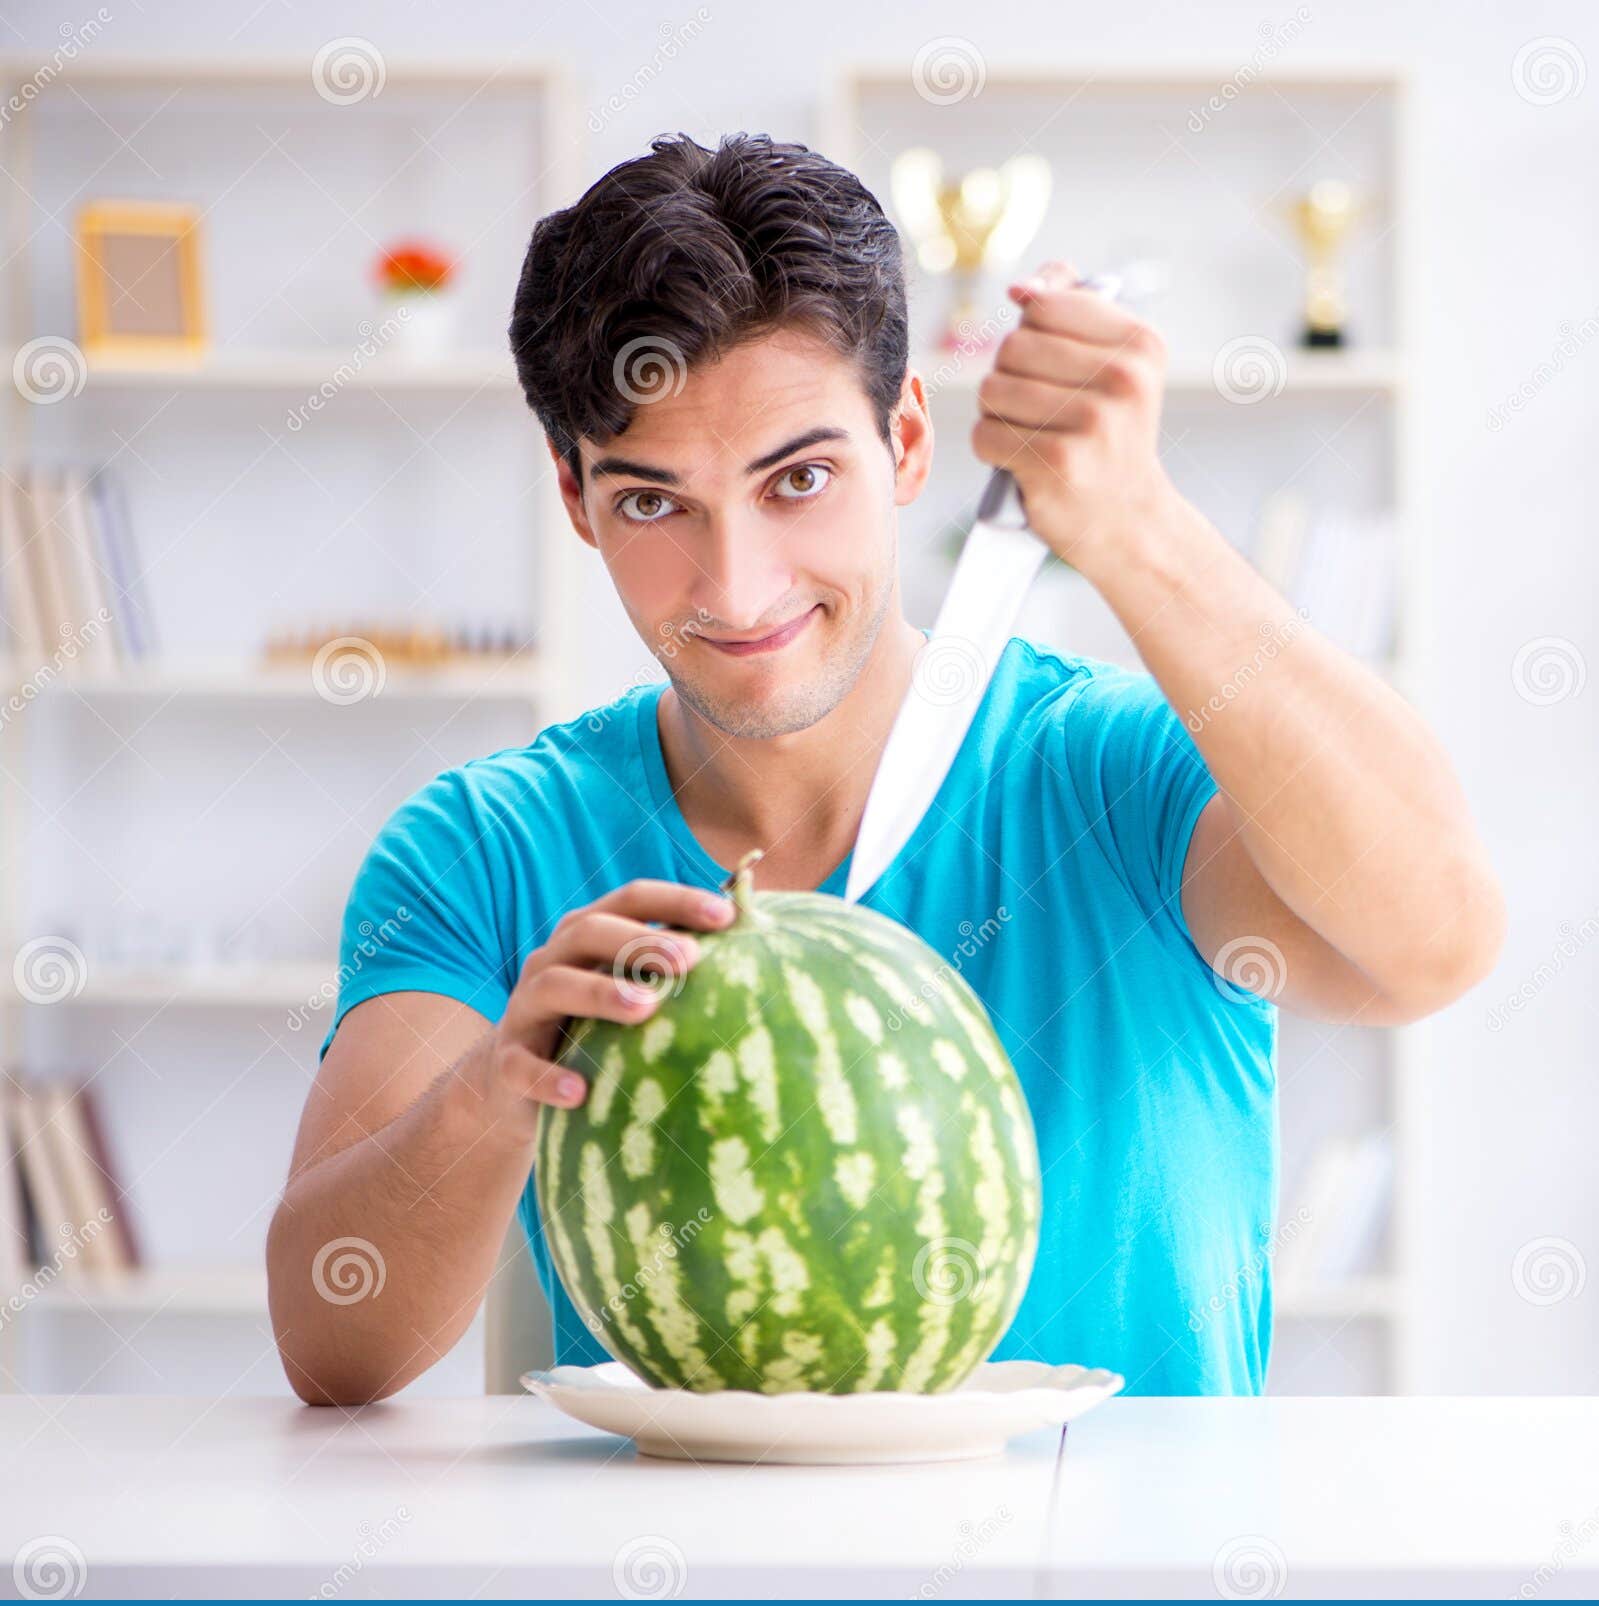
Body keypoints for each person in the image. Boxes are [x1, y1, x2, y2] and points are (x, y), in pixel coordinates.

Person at [266, 132, 1503, 1405]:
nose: (737, 586)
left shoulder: (1120, 781)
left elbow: (1435, 943)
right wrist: (491, 1093)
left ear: (908, 443)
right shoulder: (489, 847)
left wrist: (1138, 526)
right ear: (577, 499)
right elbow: (332, 1345)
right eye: (653, 503)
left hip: (1123, 1594)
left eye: (798, 479)